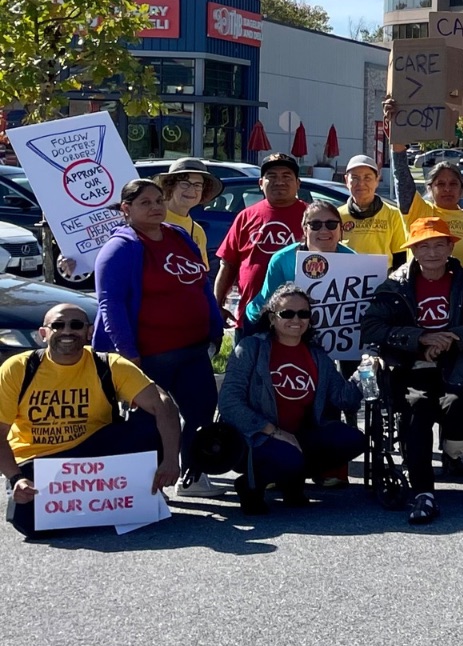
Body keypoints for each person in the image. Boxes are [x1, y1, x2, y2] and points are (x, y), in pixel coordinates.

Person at [360, 217, 463, 524]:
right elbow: (371, 327)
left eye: (439, 245)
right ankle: (423, 493)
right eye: (424, 246)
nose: (432, 253)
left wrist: (453, 337)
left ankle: (453, 451)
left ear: (451, 247)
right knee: (418, 412)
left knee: (458, 402)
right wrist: (420, 338)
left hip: (459, 365)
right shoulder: (394, 285)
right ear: (413, 250)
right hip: (410, 368)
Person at [2, 304, 181, 539]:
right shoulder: (19, 368)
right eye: (58, 325)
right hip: (39, 462)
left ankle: (135, 496)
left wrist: (171, 460)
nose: (67, 331)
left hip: (95, 455)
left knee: (149, 421)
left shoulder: (108, 364)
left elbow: (163, 403)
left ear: (89, 332)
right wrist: (16, 478)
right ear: (43, 334)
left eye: (76, 325)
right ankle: (115, 507)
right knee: (28, 522)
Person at [92, 179, 221, 497]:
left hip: (192, 348)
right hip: (148, 354)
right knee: (150, 420)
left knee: (202, 411)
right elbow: (110, 304)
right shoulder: (120, 248)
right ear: (126, 209)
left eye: (158, 200)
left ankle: (193, 476)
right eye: (145, 203)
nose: (155, 207)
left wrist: (215, 326)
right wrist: (127, 352)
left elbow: (201, 283)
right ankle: (149, 486)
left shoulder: (179, 235)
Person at [217, 285, 370, 516]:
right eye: (287, 313)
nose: (296, 320)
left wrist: (365, 372)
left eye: (303, 314)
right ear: (272, 318)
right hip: (255, 437)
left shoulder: (317, 355)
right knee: (289, 457)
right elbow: (229, 403)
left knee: (352, 439)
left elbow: (343, 399)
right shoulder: (250, 348)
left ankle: (292, 478)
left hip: (299, 435)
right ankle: (251, 484)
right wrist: (273, 431)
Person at [387, 98, 463, 275]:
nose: (447, 189)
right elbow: (402, 177)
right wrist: (396, 126)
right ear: (430, 189)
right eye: (440, 184)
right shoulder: (419, 212)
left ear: (462, 189)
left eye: (453, 183)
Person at [213, 152, 308, 315]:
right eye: (272, 176)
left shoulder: (313, 217)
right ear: (261, 183)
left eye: (286, 176)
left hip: (297, 317)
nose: (279, 182)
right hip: (251, 313)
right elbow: (227, 264)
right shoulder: (245, 216)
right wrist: (217, 306)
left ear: (298, 183)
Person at [338, 155, 408, 268]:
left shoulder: (393, 215)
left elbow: (401, 257)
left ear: (377, 180)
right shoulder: (337, 216)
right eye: (355, 178)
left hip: (384, 278)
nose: (361, 183)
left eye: (367, 178)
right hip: (346, 277)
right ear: (346, 180)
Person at [156, 158, 221, 264]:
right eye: (185, 183)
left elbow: (201, 271)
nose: (191, 190)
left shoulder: (198, 231)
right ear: (170, 186)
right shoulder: (154, 221)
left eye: (197, 185)